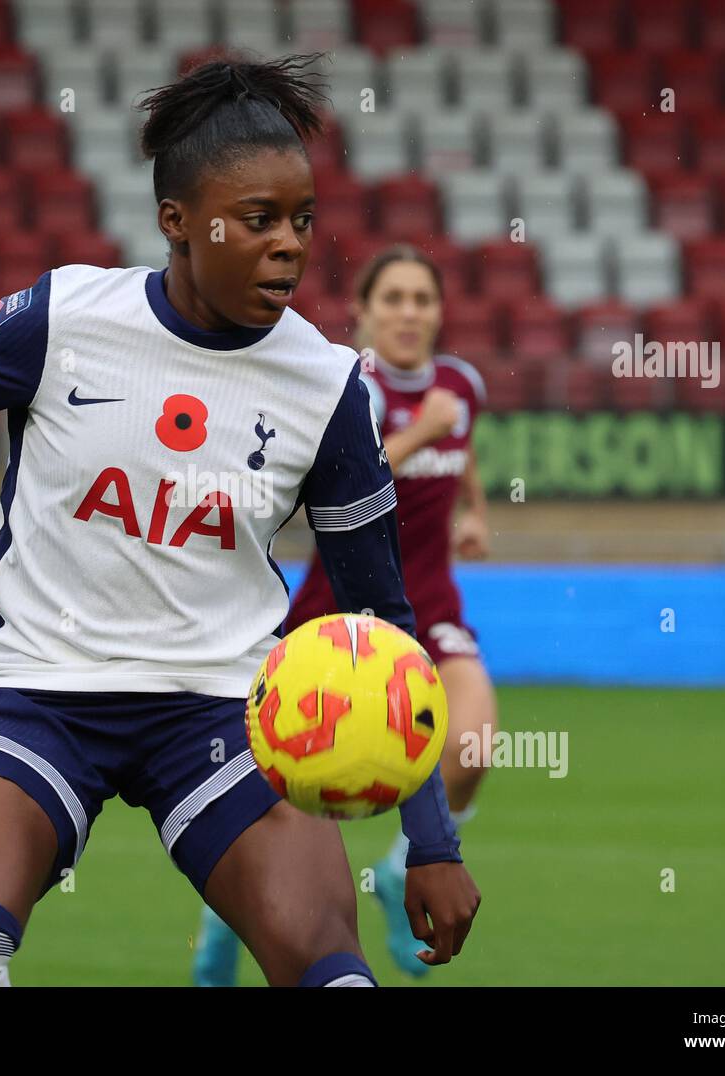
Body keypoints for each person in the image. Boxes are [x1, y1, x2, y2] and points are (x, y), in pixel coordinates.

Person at [0, 56, 480, 988]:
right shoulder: (64, 317)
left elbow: (381, 622)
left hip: (221, 709)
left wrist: (431, 840)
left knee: (336, 980)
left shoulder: (327, 387)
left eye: (302, 221)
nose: (290, 244)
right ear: (176, 222)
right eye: (258, 220)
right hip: (39, 686)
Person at [193, 243, 496, 983]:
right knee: (286, 797)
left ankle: (398, 870)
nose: (409, 313)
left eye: (422, 299)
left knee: (476, 744)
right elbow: (332, 481)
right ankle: (223, 921)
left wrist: (475, 512)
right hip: (339, 619)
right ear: (363, 311)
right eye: (392, 298)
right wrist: (423, 430)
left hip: (432, 604)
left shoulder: (461, 386)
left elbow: (465, 455)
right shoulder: (343, 384)